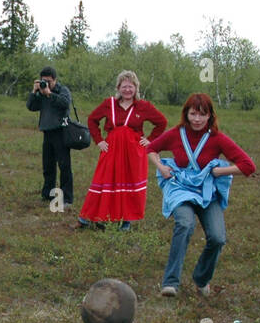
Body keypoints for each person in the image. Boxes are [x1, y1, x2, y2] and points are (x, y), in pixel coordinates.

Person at [147, 93, 256, 297]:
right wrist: (161, 167)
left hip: (207, 193)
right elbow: (152, 149)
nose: (197, 119)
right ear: (186, 114)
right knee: (185, 224)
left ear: (210, 116)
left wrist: (219, 171)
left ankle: (201, 279)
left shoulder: (217, 138)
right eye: (193, 114)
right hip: (180, 190)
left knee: (217, 238)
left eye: (202, 115)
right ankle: (170, 283)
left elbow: (248, 166)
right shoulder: (176, 133)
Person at [79, 70, 167, 229]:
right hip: (111, 149)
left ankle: (125, 221)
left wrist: (150, 140)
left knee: (129, 183)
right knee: (104, 180)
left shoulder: (143, 106)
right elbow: (92, 120)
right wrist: (99, 140)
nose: (127, 90)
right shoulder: (109, 104)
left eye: (131, 86)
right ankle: (97, 217)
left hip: (133, 151)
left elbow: (162, 122)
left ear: (136, 88)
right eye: (124, 86)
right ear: (118, 88)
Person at [26, 65, 73, 206]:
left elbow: (65, 104)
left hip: (61, 132)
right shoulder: (41, 91)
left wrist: (49, 94)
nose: (46, 84)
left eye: (49, 81)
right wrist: (34, 92)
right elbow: (31, 106)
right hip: (47, 132)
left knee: (64, 166)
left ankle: (66, 198)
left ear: (55, 80)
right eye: (43, 81)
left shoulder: (62, 90)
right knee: (48, 166)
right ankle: (48, 194)